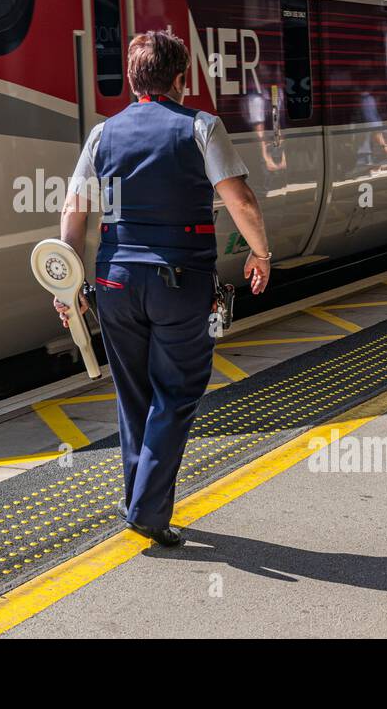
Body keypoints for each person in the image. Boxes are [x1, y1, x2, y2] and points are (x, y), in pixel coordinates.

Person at [53, 29, 271, 547]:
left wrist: (69, 286)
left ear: (132, 80)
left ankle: (137, 503)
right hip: (179, 279)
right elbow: (239, 200)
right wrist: (261, 254)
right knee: (176, 393)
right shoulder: (200, 126)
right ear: (181, 79)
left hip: (113, 281)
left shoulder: (102, 135)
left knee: (134, 396)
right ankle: (148, 510)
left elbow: (73, 212)